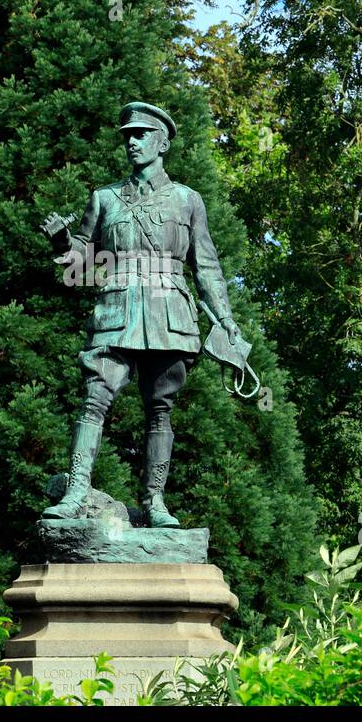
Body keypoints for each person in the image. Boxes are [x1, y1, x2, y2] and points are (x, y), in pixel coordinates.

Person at [40, 102, 240, 527]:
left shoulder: (188, 200)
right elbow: (80, 258)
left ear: (162, 142)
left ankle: (154, 503)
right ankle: (76, 491)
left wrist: (225, 318)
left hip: (170, 312)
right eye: (127, 135)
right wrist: (62, 243)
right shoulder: (104, 198)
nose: (131, 141)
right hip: (117, 307)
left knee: (160, 410)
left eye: (141, 134)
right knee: (95, 398)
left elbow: (206, 266)